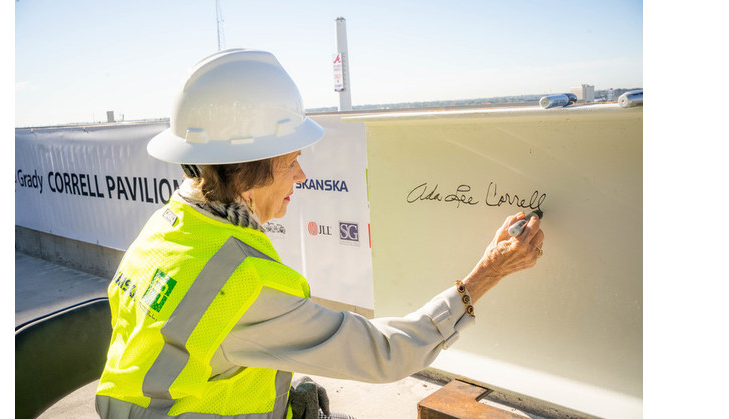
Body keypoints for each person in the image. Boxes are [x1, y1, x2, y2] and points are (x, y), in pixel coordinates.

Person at [95, 49, 544, 419]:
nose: (302, 175)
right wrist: (487, 273)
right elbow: (384, 353)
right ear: (248, 172)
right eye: (291, 161)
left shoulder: (167, 229)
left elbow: (187, 354)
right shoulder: (240, 283)